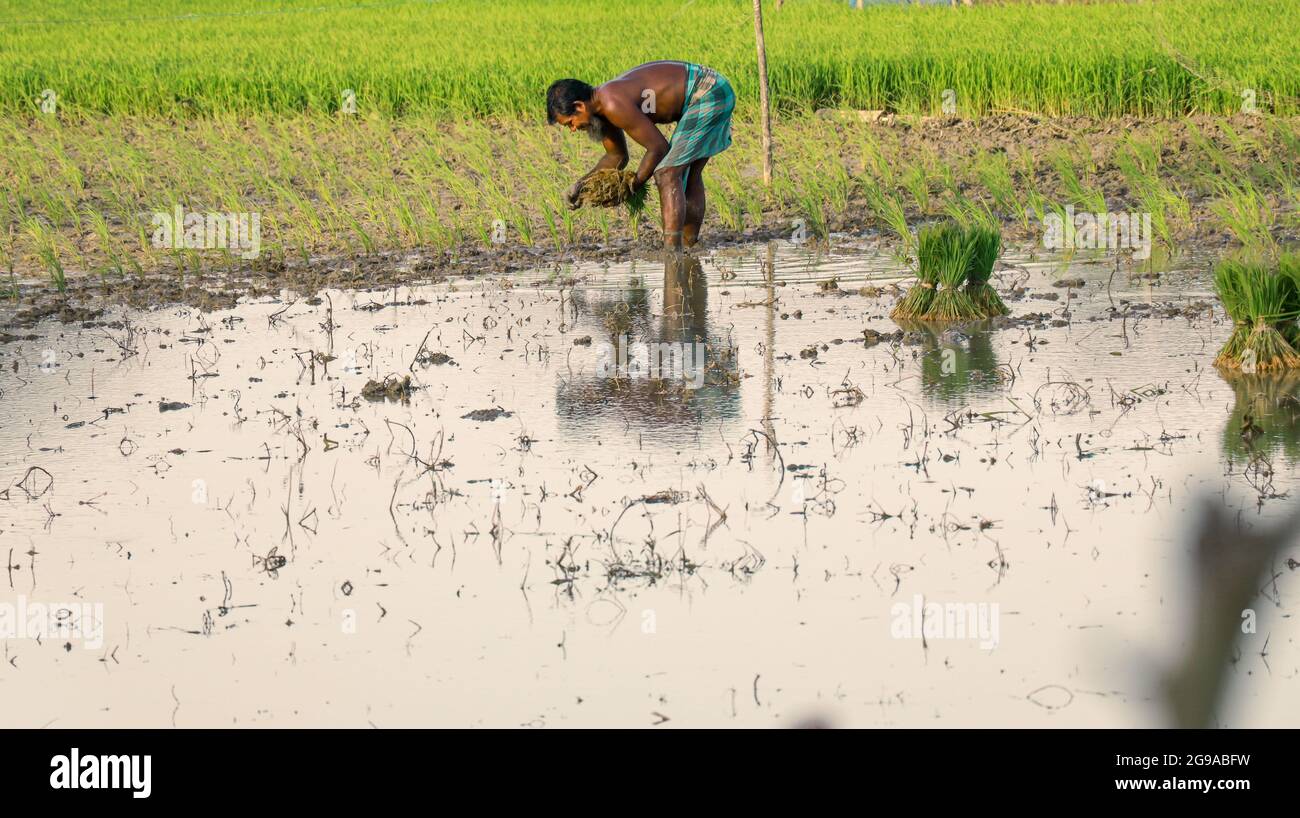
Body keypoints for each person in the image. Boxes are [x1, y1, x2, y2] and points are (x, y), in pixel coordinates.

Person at [546, 61, 735, 249]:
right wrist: (581, 185)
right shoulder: (603, 111)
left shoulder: (611, 102)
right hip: (712, 88)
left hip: (708, 92)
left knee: (667, 173)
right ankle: (689, 245)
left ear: (579, 106)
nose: (572, 129)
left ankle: (672, 252)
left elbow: (658, 148)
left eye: (570, 123)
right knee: (687, 173)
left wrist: (633, 184)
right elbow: (616, 157)